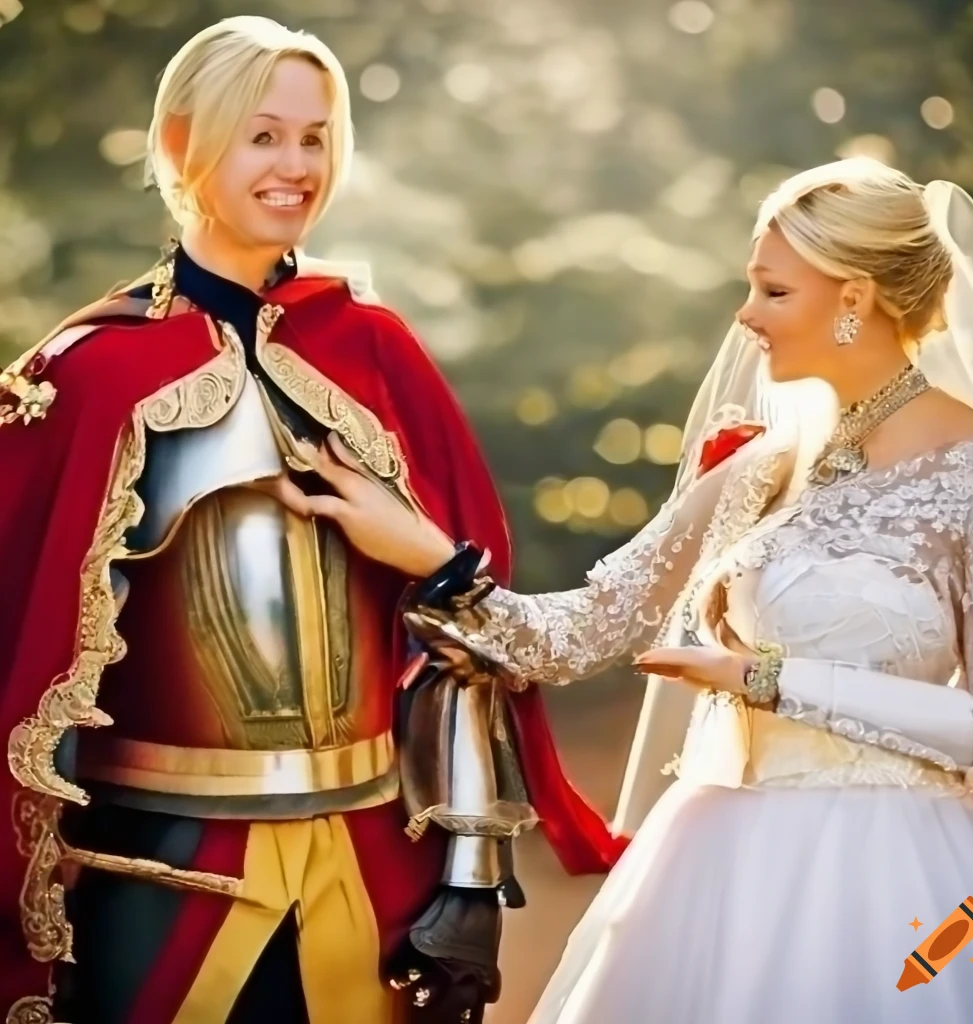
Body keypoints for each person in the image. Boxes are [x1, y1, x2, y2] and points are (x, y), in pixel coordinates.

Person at [0, 16, 625, 1024]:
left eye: (315, 136)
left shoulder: (374, 350)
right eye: (263, 135)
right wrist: (40, 903)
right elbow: (29, 659)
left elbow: (461, 630)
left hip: (379, 865)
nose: (296, 165)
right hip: (154, 876)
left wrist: (470, 872)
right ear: (177, 145)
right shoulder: (87, 373)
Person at [307, 157, 973, 1022]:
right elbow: (580, 632)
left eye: (772, 291)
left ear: (855, 299)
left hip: (907, 876)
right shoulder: (764, 469)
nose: (746, 314)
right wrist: (428, 555)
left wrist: (763, 679)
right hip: (726, 860)